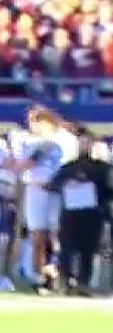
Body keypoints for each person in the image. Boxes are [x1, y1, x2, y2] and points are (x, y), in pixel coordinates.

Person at [47, 126, 112, 296]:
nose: (84, 145)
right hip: (71, 214)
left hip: (93, 214)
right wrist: (68, 185)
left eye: (87, 142)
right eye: (81, 142)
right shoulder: (69, 167)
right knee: (67, 248)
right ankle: (67, 282)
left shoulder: (102, 168)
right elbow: (53, 185)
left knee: (88, 250)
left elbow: (108, 191)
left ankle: (83, 283)